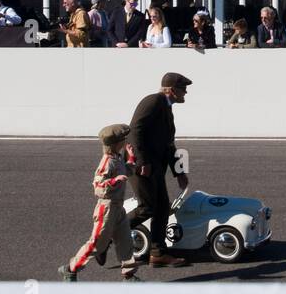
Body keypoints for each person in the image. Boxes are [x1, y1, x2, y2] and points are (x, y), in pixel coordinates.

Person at [59, 124, 141, 282]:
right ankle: (70, 269)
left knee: (125, 242)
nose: (125, 142)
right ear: (116, 143)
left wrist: (131, 158)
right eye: (123, 140)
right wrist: (114, 181)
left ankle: (129, 275)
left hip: (118, 208)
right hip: (107, 209)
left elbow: (127, 171)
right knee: (96, 244)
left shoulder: (117, 158)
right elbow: (98, 186)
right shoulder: (107, 162)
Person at [127, 73, 192, 268]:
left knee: (163, 207)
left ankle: (158, 253)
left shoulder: (166, 108)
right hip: (143, 166)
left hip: (155, 167)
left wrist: (179, 173)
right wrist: (141, 161)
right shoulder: (153, 101)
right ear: (172, 90)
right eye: (183, 89)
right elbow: (134, 130)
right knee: (147, 208)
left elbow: (168, 145)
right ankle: (107, 234)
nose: (186, 93)